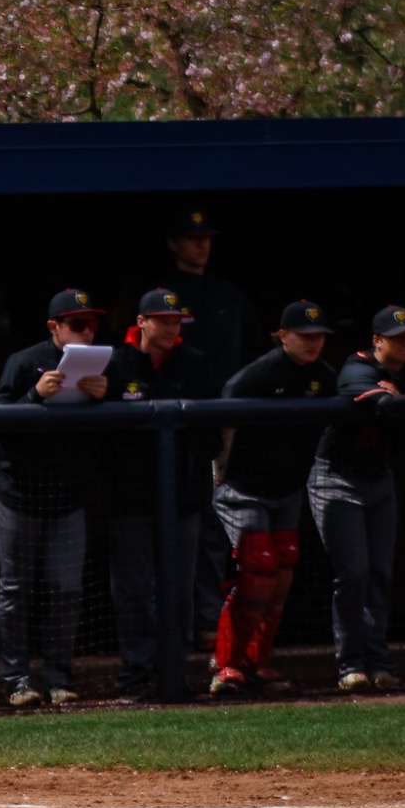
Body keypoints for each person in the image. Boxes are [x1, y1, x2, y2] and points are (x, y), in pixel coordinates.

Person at [208, 300, 339, 697]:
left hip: (286, 490)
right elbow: (223, 424)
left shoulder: (324, 376)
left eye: (319, 336)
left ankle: (253, 661)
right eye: (304, 335)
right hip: (244, 489)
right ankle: (225, 665)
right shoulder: (259, 374)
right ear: (283, 335)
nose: (313, 342)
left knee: (281, 576)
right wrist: (219, 479)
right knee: (258, 570)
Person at [0, 288, 110, 707]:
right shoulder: (23, 362)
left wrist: (102, 400)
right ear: (54, 327)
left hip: (67, 497)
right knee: (16, 588)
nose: (87, 331)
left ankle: (59, 677)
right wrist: (35, 396)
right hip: (17, 493)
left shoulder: (102, 367)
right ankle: (17, 680)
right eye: (77, 324)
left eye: (91, 324)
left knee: (66, 589)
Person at [310, 306, 405, 694]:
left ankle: (379, 663)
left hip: (379, 478)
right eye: (397, 338)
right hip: (337, 479)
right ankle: (351, 665)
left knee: (380, 575)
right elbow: (390, 408)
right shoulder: (356, 368)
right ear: (377, 341)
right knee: (354, 575)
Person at [159, 211, 266, 653]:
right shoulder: (162, 299)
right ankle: (180, 627)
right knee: (181, 529)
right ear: (174, 244)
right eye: (191, 238)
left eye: (206, 238)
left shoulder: (230, 297)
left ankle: (216, 624)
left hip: (228, 430)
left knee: (223, 529)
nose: (201, 246)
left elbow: (257, 356)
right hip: (177, 430)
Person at [103, 288, 217, 700]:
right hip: (130, 496)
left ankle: (174, 672)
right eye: (163, 320)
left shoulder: (195, 364)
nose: (171, 327)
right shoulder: (115, 364)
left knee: (179, 591)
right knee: (133, 590)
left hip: (182, 496)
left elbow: (210, 430)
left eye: (176, 321)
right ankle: (136, 673)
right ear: (142, 322)